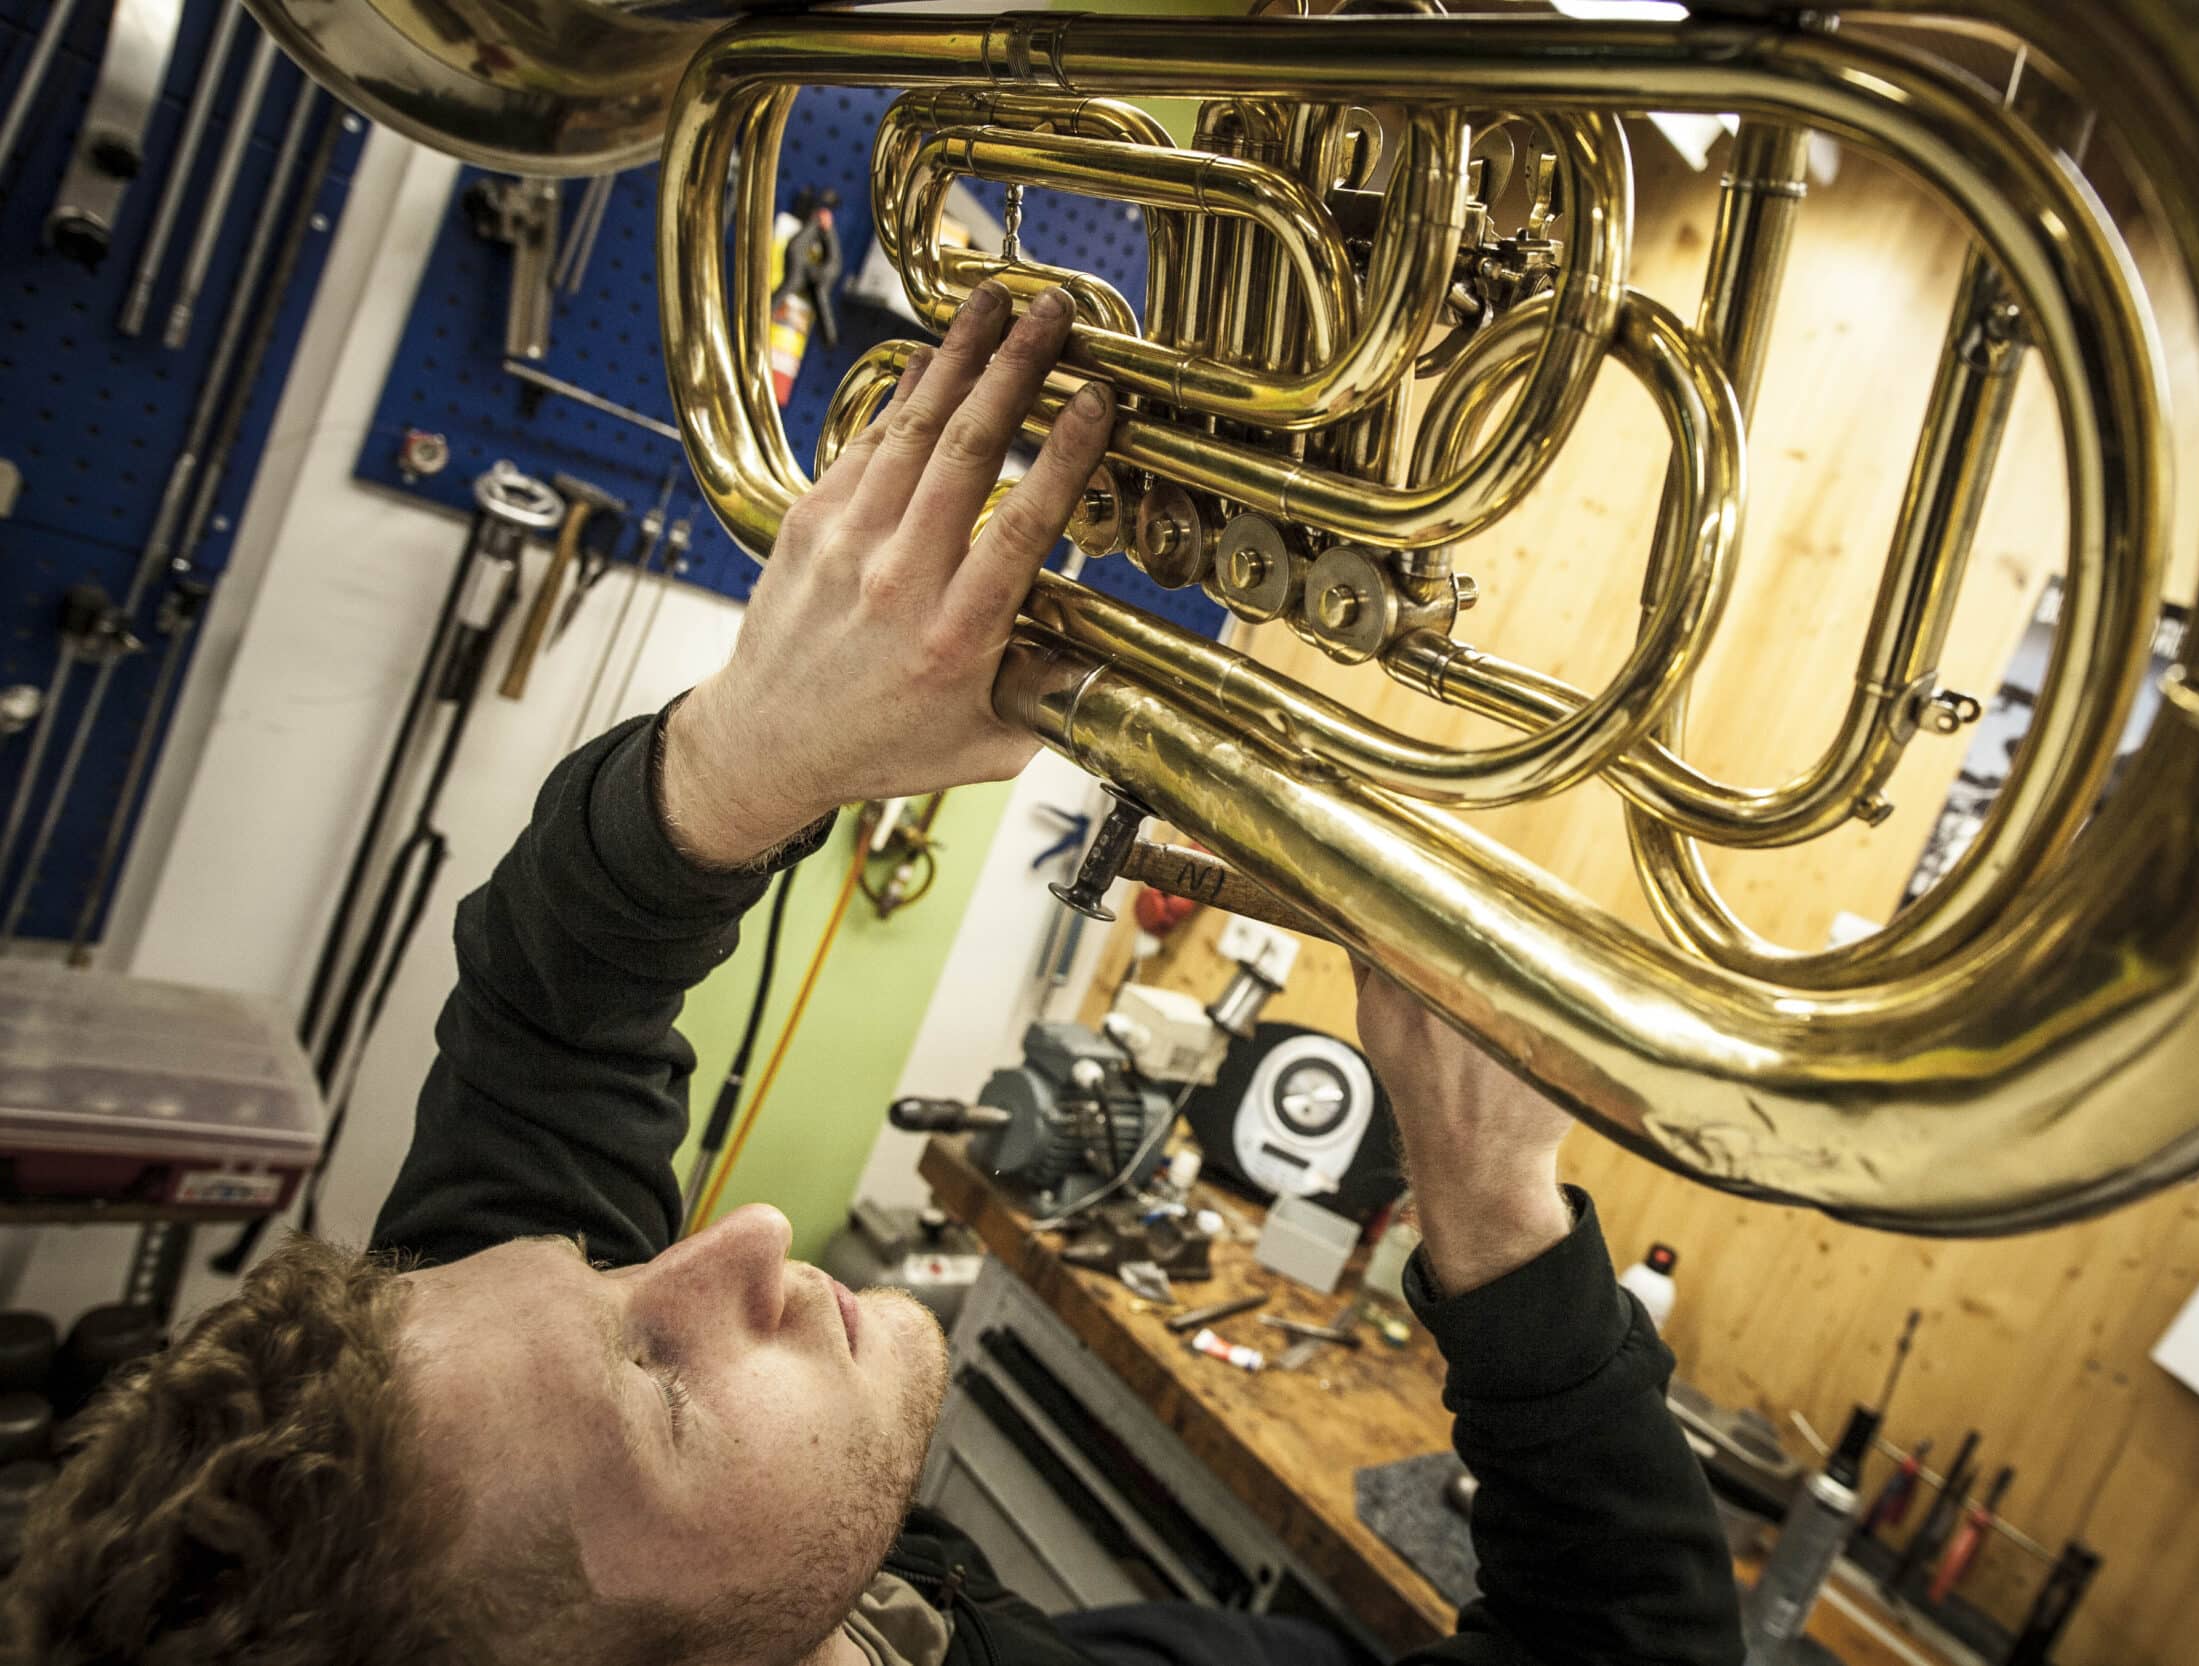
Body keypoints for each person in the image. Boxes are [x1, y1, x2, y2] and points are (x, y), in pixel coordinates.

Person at [1, 284, 1742, 1666]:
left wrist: (747, 753)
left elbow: (547, 1002)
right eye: (663, 1388)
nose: (738, 1241)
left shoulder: (460, 1437)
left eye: (597, 1288)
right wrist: (1503, 1227)